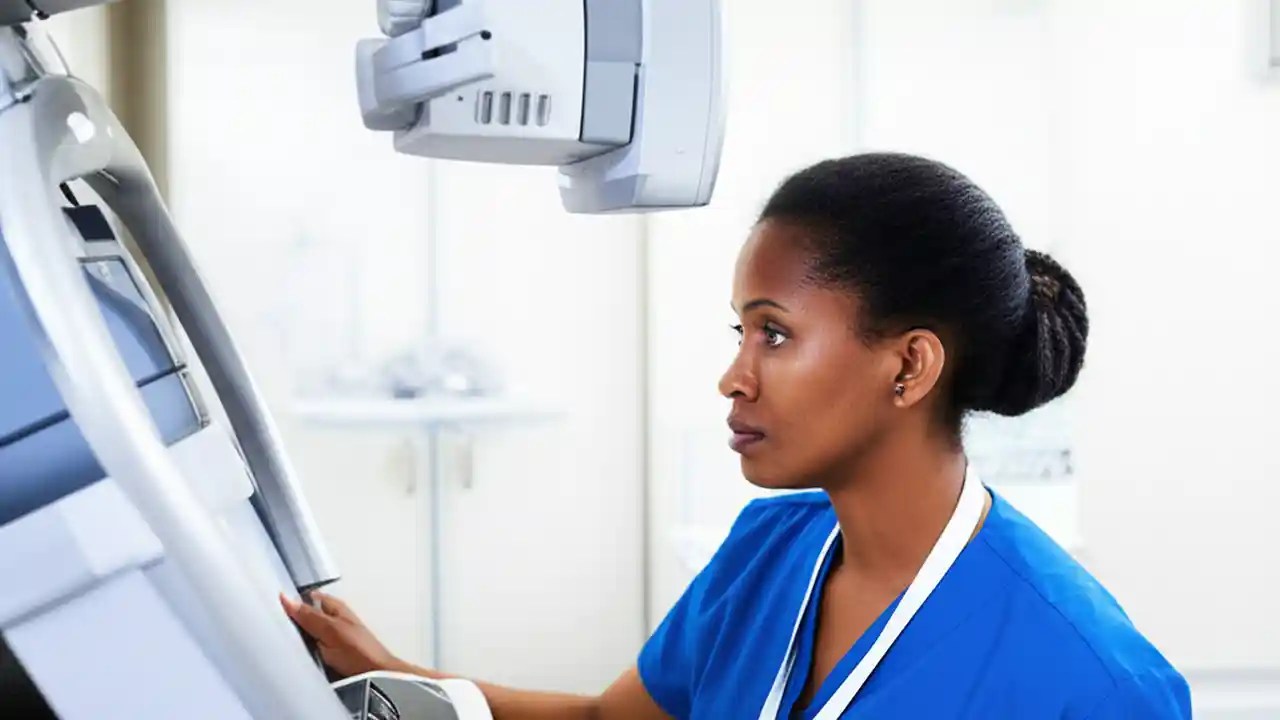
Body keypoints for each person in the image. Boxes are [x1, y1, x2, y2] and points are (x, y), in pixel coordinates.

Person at [282, 153, 1191, 718]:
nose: (735, 375)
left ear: (909, 367)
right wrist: (396, 682)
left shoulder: (1089, 679)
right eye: (741, 332)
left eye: (777, 334)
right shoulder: (771, 551)